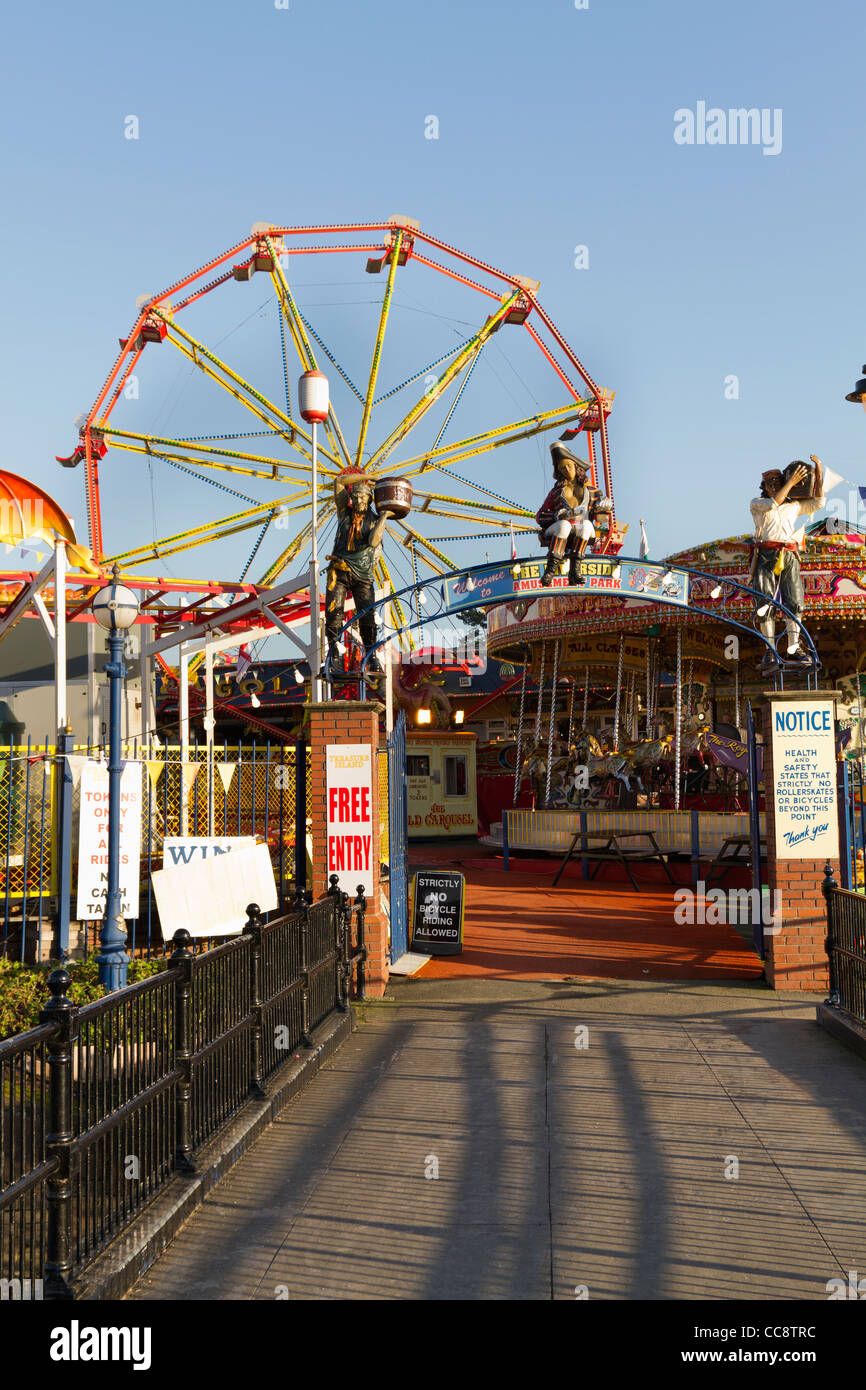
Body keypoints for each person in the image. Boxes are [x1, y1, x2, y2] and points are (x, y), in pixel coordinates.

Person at [749, 455, 825, 669]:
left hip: (789, 554)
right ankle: (770, 650)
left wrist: (818, 472)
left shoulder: (793, 506)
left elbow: (818, 501)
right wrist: (790, 483)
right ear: (764, 487)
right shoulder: (758, 503)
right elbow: (774, 504)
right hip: (765, 554)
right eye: (769, 484)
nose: (773, 487)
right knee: (764, 602)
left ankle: (794, 647)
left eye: (777, 483)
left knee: (794, 602)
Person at [324, 473, 393, 674]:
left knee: (367, 617)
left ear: (370, 499)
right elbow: (338, 482)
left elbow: (373, 541)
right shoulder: (344, 513)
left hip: (363, 575)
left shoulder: (373, 520)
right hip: (339, 571)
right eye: (354, 497)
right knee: (333, 613)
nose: (357, 500)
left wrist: (384, 517)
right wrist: (366, 477)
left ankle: (371, 656)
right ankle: (333, 653)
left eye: (362, 497)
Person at [536, 441, 602, 586]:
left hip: (581, 530)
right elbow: (539, 516)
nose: (566, 470)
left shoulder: (592, 491)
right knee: (564, 525)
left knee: (585, 525)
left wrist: (604, 505)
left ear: (576, 466)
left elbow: (602, 516)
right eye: (562, 468)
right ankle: (550, 571)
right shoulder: (556, 492)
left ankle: (575, 571)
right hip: (560, 529)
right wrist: (557, 515)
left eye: (569, 466)